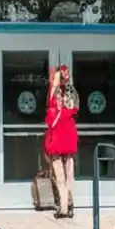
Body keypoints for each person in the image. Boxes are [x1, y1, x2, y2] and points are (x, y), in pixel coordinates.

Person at [43, 65, 79, 219]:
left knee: (59, 174)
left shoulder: (54, 93)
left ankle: (63, 207)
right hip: (69, 132)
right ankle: (70, 204)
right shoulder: (72, 92)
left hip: (57, 135)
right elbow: (74, 109)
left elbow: (51, 113)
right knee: (69, 171)